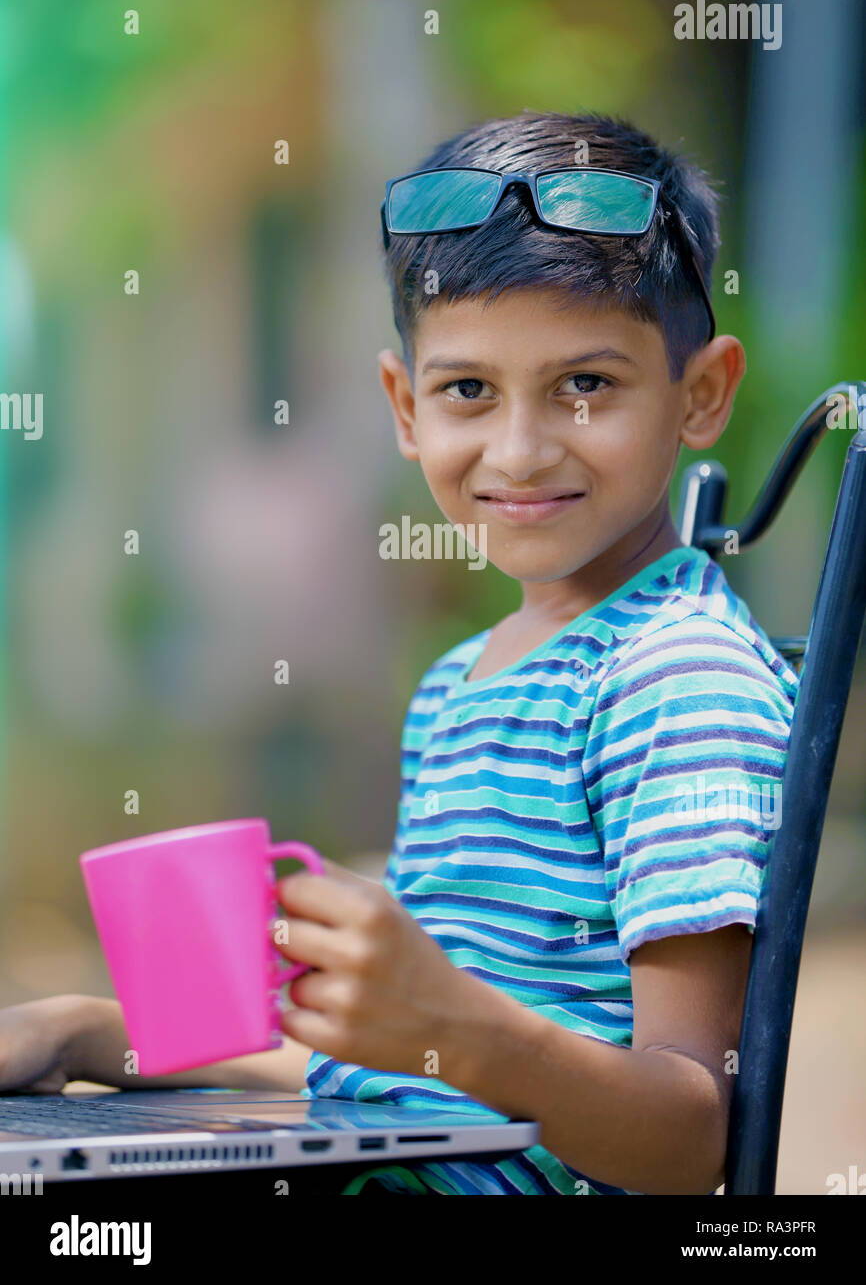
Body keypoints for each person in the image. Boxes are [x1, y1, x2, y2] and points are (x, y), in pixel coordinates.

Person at [0, 111, 798, 1195]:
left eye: (587, 385)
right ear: (403, 406)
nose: (518, 449)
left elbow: (688, 1141)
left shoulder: (678, 678)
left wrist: (452, 1021)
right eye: (467, 389)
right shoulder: (458, 684)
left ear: (699, 393)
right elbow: (395, 1086)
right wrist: (92, 1034)